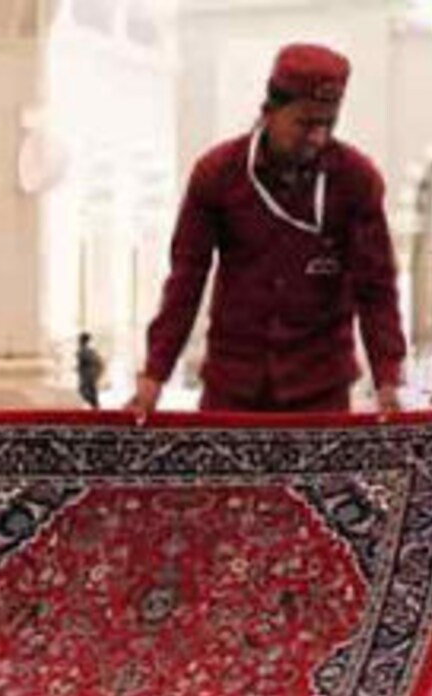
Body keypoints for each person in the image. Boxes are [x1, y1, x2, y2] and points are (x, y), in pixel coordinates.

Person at [127, 43, 405, 418]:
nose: (318, 137)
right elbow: (186, 280)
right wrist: (154, 376)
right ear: (270, 111)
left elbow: (376, 289)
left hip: (320, 389)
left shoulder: (355, 179)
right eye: (306, 123)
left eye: (328, 124)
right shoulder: (218, 174)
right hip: (233, 386)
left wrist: (389, 379)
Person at [77, 332, 105, 409]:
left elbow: (84, 362)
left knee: (84, 390)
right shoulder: (88, 350)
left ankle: (95, 404)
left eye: (80, 340)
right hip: (90, 373)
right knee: (91, 390)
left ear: (82, 340)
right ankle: (95, 405)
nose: (78, 341)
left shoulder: (83, 350)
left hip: (87, 373)